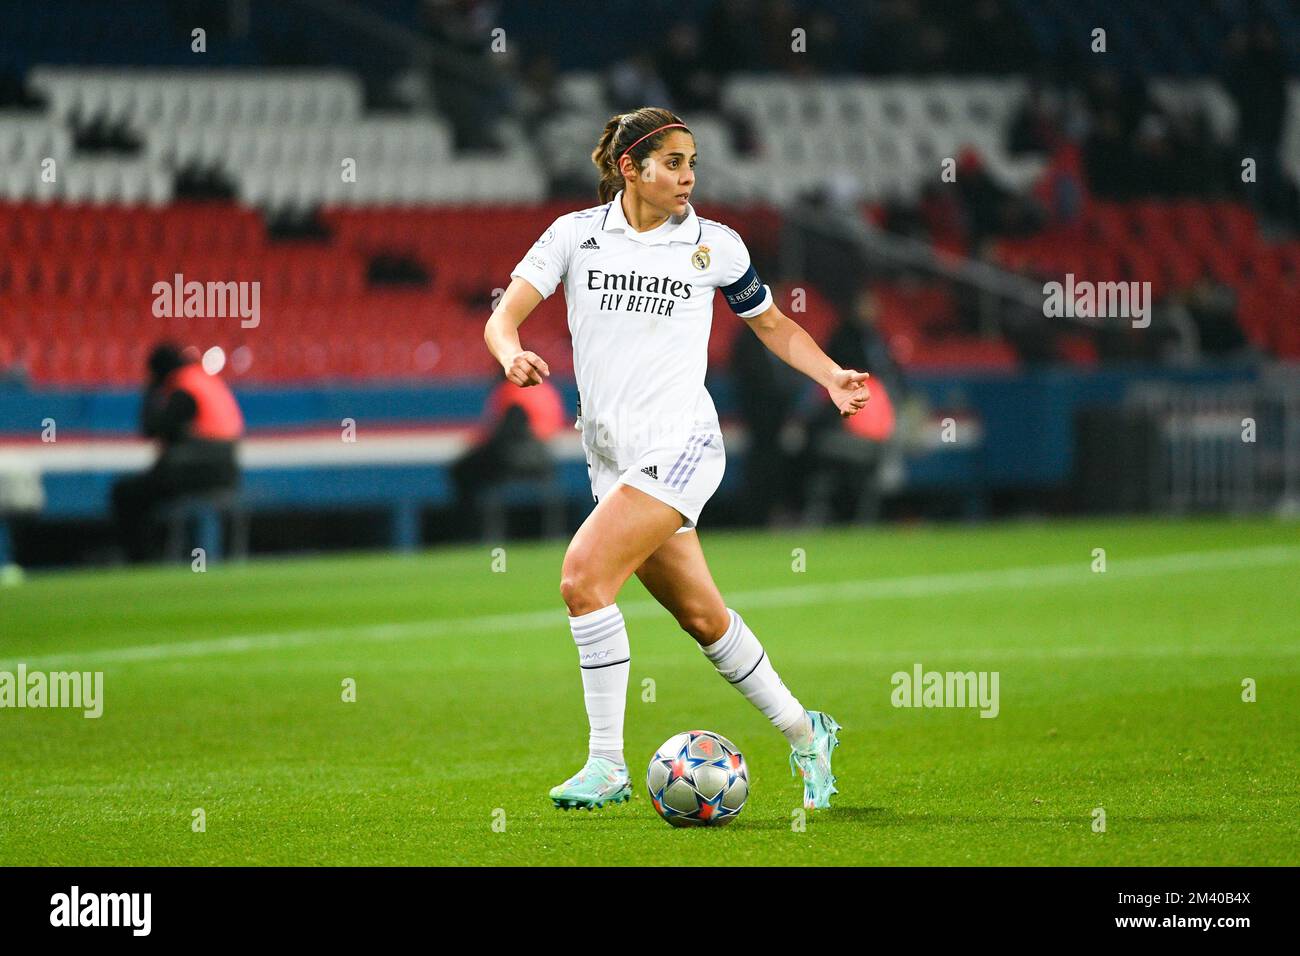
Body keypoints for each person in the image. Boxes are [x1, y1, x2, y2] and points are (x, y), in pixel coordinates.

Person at [483, 107, 872, 812]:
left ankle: (607, 763)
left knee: (581, 579)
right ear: (630, 168)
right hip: (612, 456)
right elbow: (502, 317)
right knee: (703, 618)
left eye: (693, 163)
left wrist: (830, 374)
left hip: (683, 443)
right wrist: (511, 354)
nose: (688, 176)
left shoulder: (715, 245)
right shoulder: (575, 236)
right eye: (673, 163)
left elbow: (772, 323)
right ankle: (804, 732)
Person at [111, 343, 243, 562]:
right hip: (227, 469)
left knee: (126, 493)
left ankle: (142, 560)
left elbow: (153, 429)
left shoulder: (184, 387)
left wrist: (151, 389)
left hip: (199, 468)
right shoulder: (204, 379)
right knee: (143, 489)